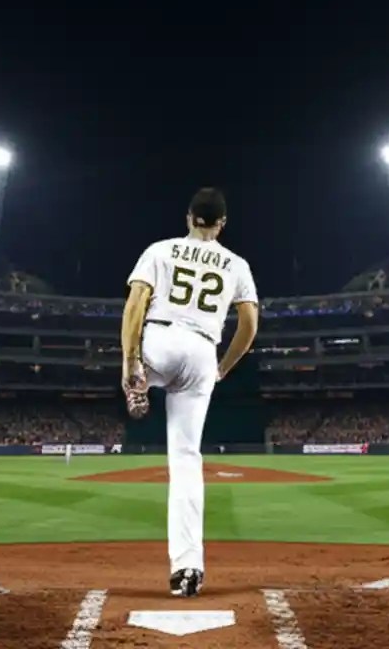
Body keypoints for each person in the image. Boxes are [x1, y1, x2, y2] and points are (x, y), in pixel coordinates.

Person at [120, 187, 259, 598]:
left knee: (137, 356)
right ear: (222, 223)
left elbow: (135, 305)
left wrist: (132, 362)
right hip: (202, 350)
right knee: (185, 461)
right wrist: (222, 368)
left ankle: (137, 382)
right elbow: (249, 324)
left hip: (159, 340)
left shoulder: (160, 250)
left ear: (188, 217)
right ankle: (188, 568)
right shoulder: (236, 264)